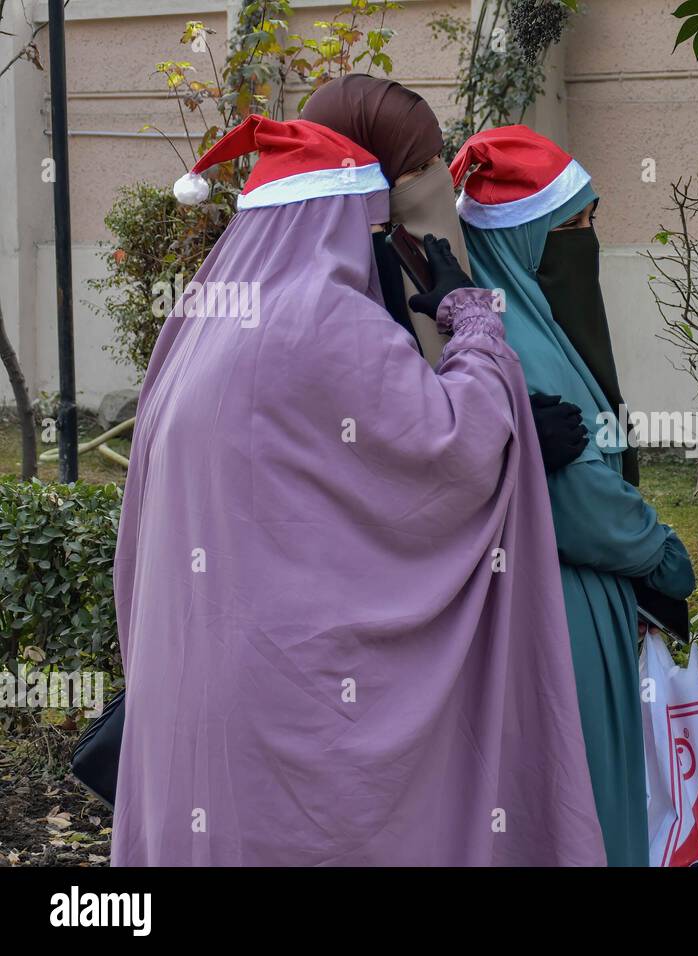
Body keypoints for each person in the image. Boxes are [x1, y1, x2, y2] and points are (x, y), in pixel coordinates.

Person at [111, 114, 604, 866]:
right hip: (300, 697)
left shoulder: (197, 327)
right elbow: (454, 448)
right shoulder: (327, 318)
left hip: (203, 683)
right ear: (336, 217)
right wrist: (469, 314)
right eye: (369, 224)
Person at [450, 125, 696, 866]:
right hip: (557, 610)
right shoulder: (508, 340)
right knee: (583, 798)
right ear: (522, 244)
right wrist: (661, 552)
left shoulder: (528, 323)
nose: (587, 242)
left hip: (578, 603)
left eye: (591, 223)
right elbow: (577, 497)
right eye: (572, 228)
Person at [301, 74, 586, 474]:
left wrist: (504, 415)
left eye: (438, 159)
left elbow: (432, 396)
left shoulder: (400, 257)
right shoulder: (322, 299)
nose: (438, 180)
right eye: (417, 168)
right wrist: (508, 440)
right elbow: (384, 449)